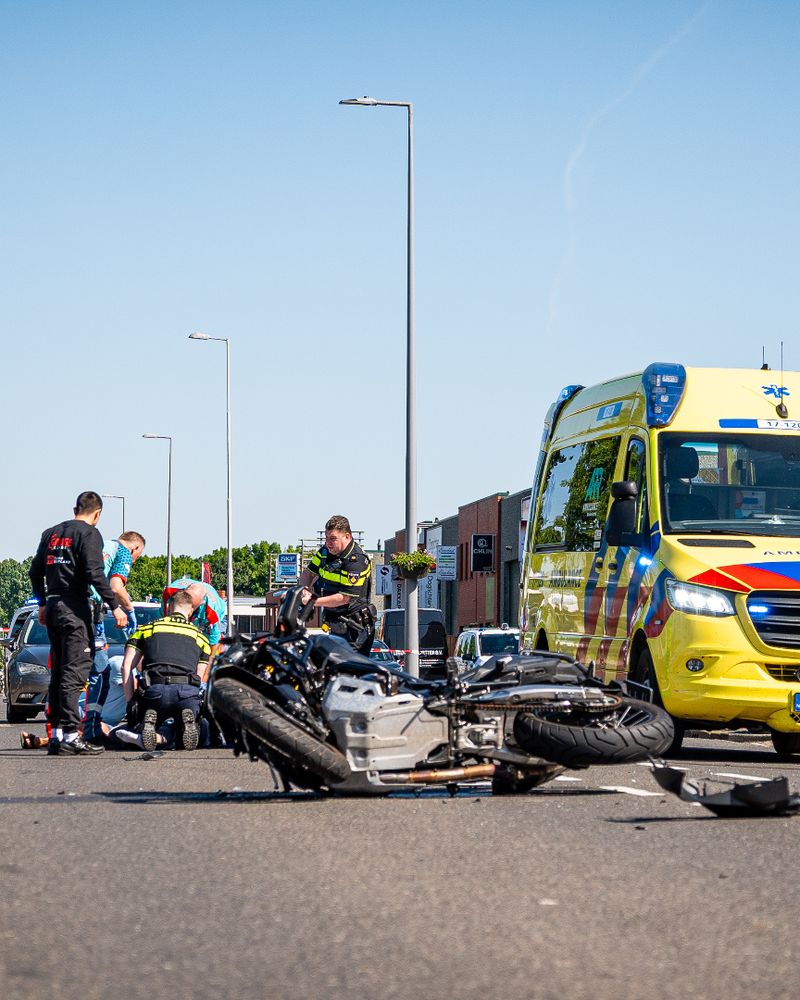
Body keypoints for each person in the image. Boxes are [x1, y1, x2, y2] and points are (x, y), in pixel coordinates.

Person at [29, 491, 128, 755]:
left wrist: (41, 603)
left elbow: (35, 571)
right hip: (76, 609)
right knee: (75, 673)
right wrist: (115, 606)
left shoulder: (50, 533)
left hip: (53, 607)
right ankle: (72, 735)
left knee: (59, 672)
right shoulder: (89, 534)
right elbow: (94, 574)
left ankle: (57, 735)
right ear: (98, 513)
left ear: (76, 508)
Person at [121, 589, 212, 751]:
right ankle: (184, 728)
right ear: (191, 611)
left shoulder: (147, 629)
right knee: (199, 732)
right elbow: (199, 676)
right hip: (186, 693)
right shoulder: (201, 637)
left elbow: (126, 666)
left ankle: (149, 728)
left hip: (154, 691)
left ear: (168, 607)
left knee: (138, 728)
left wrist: (131, 703)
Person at [83, 531, 146, 745]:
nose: (134, 561)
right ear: (135, 548)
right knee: (100, 672)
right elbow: (116, 587)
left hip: (70, 608)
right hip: (91, 612)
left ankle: (61, 730)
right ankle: (91, 728)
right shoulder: (123, 552)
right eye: (138, 557)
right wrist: (128, 609)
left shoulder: (101, 547)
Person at [298, 514, 375, 655]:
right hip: (336, 625)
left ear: (347, 536)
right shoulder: (325, 552)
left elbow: (344, 598)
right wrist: (305, 590)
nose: (328, 543)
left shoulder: (356, 560)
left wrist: (312, 602)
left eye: (333, 538)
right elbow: (307, 574)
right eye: (326, 538)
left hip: (355, 630)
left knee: (348, 672)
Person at [162, 576, 226, 647]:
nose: (188, 610)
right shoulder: (169, 595)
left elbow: (213, 642)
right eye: (186, 603)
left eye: (192, 606)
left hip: (214, 610)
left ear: (201, 603)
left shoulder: (212, 612)